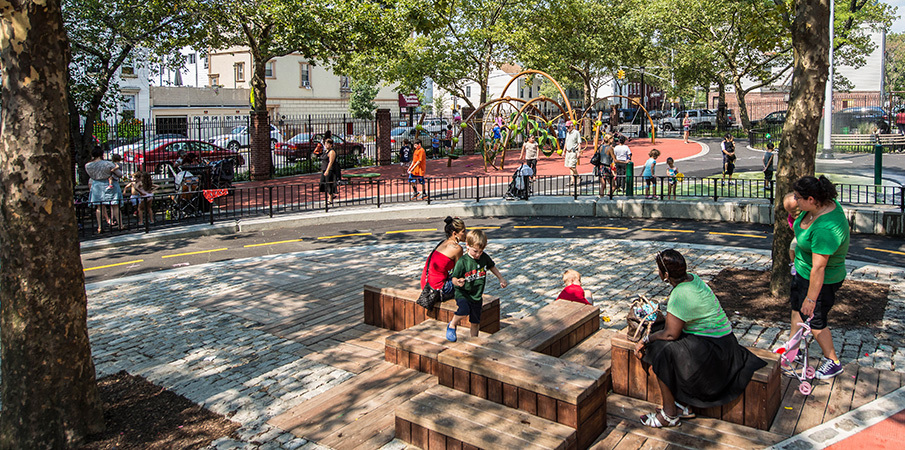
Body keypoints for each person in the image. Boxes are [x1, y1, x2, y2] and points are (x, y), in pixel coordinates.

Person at [634, 249, 767, 428]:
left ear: (665, 275)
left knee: (661, 353)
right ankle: (682, 403)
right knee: (663, 342)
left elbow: (670, 334)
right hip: (726, 343)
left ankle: (669, 414)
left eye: (659, 270)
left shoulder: (679, 294)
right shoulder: (693, 279)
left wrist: (646, 339)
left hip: (715, 350)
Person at [788, 175, 850, 380]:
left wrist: (811, 299)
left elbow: (819, 268)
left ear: (812, 200)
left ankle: (833, 361)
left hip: (820, 282)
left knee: (815, 320)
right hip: (802, 273)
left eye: (798, 198)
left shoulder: (825, 229)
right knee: (797, 310)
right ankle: (792, 352)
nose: (795, 201)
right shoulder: (820, 205)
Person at [446, 229, 508, 342]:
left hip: (476, 295)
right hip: (463, 293)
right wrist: (457, 282)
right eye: (475, 251)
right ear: (467, 246)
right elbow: (454, 278)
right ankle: (452, 325)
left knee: (475, 321)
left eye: (481, 251)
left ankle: (474, 341)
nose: (478, 254)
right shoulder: (463, 261)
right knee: (464, 310)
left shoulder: (484, 257)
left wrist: (501, 278)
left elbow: (492, 266)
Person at [420, 217, 467, 301]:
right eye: (463, 231)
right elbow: (459, 271)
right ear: (454, 233)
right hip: (438, 289)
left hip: (425, 284)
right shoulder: (457, 249)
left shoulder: (442, 242)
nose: (466, 234)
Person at [85, 147, 124, 233]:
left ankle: (99, 226)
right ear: (102, 154)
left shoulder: (88, 165)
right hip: (109, 184)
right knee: (115, 205)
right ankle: (120, 224)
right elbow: (120, 174)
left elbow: (91, 175)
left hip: (96, 185)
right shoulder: (108, 164)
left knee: (99, 206)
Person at [319, 138, 340, 204]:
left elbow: (331, 162)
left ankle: (330, 199)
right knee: (323, 183)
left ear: (331, 145)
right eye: (325, 143)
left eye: (328, 144)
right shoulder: (325, 151)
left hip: (330, 170)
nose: (326, 145)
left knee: (329, 184)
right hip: (324, 169)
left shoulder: (332, 152)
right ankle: (331, 195)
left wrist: (327, 170)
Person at [564, 121, 582, 187]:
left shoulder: (576, 133)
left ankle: (577, 176)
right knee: (569, 166)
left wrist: (579, 152)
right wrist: (564, 151)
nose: (567, 128)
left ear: (572, 126)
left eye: (568, 127)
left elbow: (579, 143)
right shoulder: (567, 133)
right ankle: (572, 180)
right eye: (566, 127)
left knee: (572, 166)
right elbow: (566, 142)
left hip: (573, 151)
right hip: (568, 151)